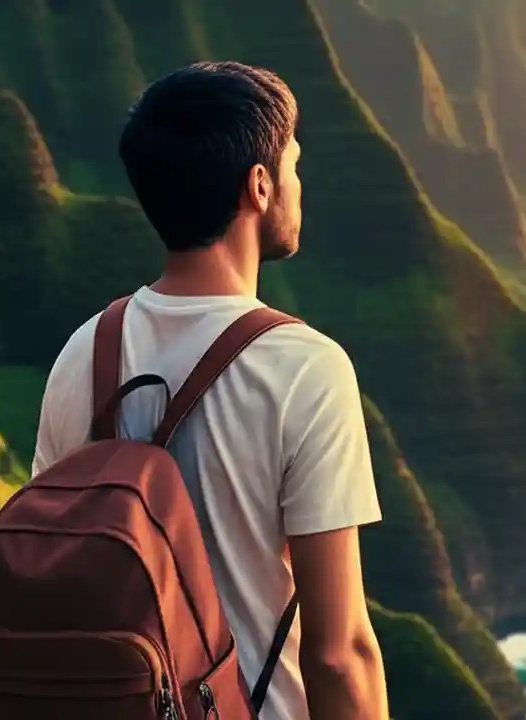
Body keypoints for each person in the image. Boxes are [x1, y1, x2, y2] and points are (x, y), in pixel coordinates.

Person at [30, 61, 390, 720]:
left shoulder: (81, 353)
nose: (299, 185)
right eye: (293, 166)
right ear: (260, 185)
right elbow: (340, 654)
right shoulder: (305, 369)